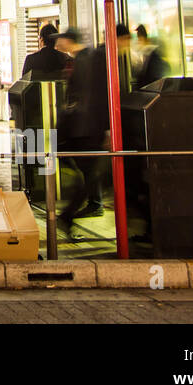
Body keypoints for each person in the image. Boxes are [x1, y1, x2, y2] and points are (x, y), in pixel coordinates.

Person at [55, 28, 109, 234]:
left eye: (62, 39)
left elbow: (94, 97)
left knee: (90, 174)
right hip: (81, 129)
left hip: (86, 129)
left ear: (69, 41)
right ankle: (74, 212)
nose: (59, 43)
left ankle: (69, 214)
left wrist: (106, 129)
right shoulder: (82, 59)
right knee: (89, 174)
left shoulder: (87, 60)